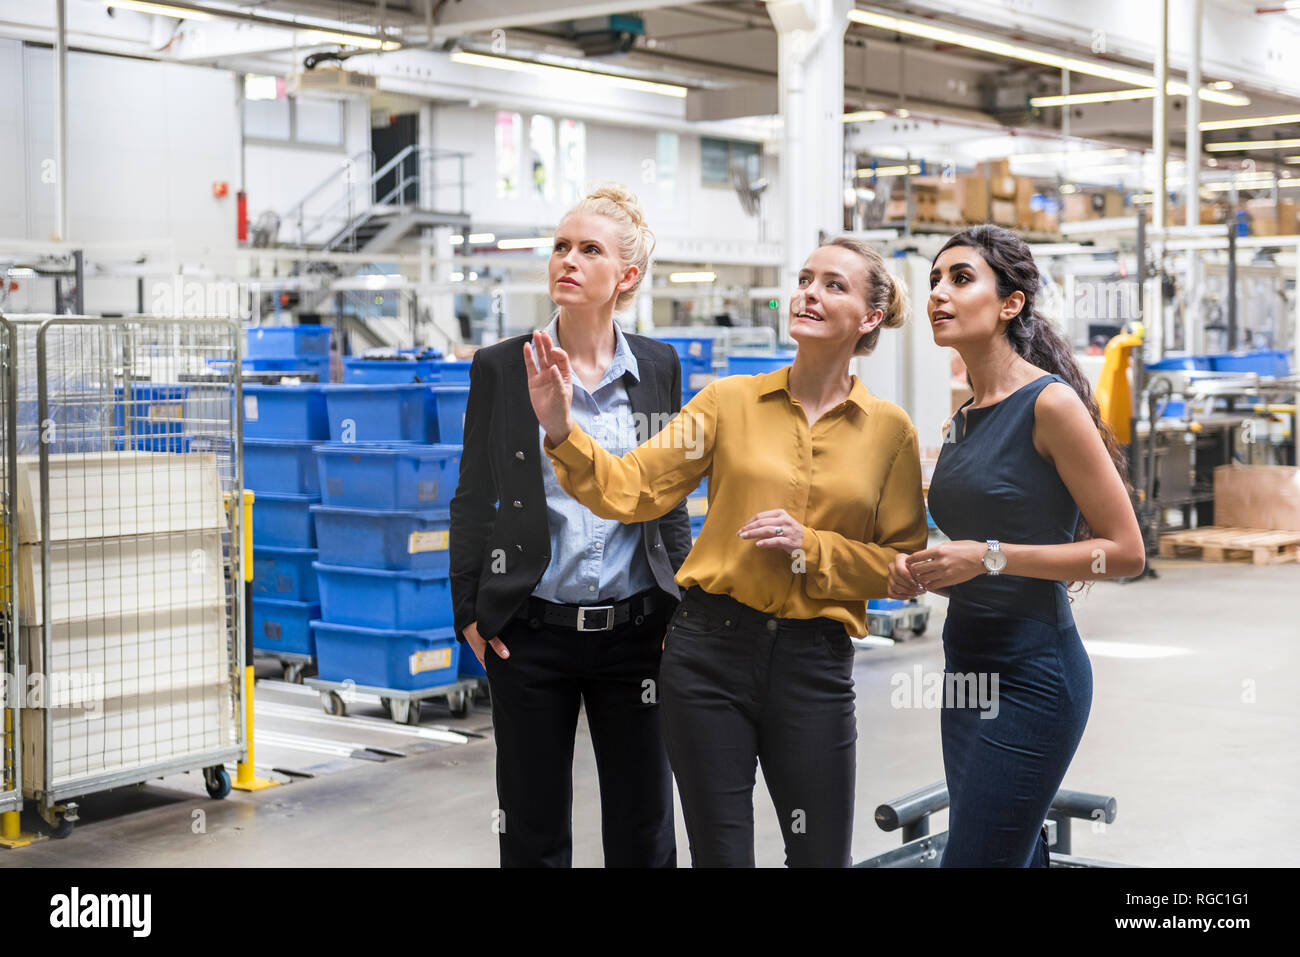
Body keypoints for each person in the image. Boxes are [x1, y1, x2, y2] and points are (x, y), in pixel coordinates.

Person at [526, 237, 928, 867]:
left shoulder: (890, 431)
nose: (809, 294)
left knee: (820, 855)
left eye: (833, 285)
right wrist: (560, 429)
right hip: (708, 654)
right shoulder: (727, 402)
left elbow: (905, 570)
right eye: (804, 278)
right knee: (721, 856)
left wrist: (815, 548)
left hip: (813, 663)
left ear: (869, 318)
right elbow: (632, 489)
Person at [448, 185, 692, 868]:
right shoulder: (502, 367)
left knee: (645, 828)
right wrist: (468, 608)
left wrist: (685, 600)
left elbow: (666, 496)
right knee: (531, 830)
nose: (569, 260)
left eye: (590, 250)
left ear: (626, 277)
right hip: (530, 634)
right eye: (561, 246)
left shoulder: (658, 366)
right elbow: (472, 497)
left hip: (638, 633)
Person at [890, 225, 1145, 867]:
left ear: (1011, 304)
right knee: (1014, 853)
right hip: (965, 664)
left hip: (1035, 671)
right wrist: (924, 570)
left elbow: (1124, 551)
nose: (939, 295)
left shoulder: (1050, 405)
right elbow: (968, 539)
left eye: (961, 278)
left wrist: (988, 556)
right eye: (934, 282)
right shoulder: (964, 418)